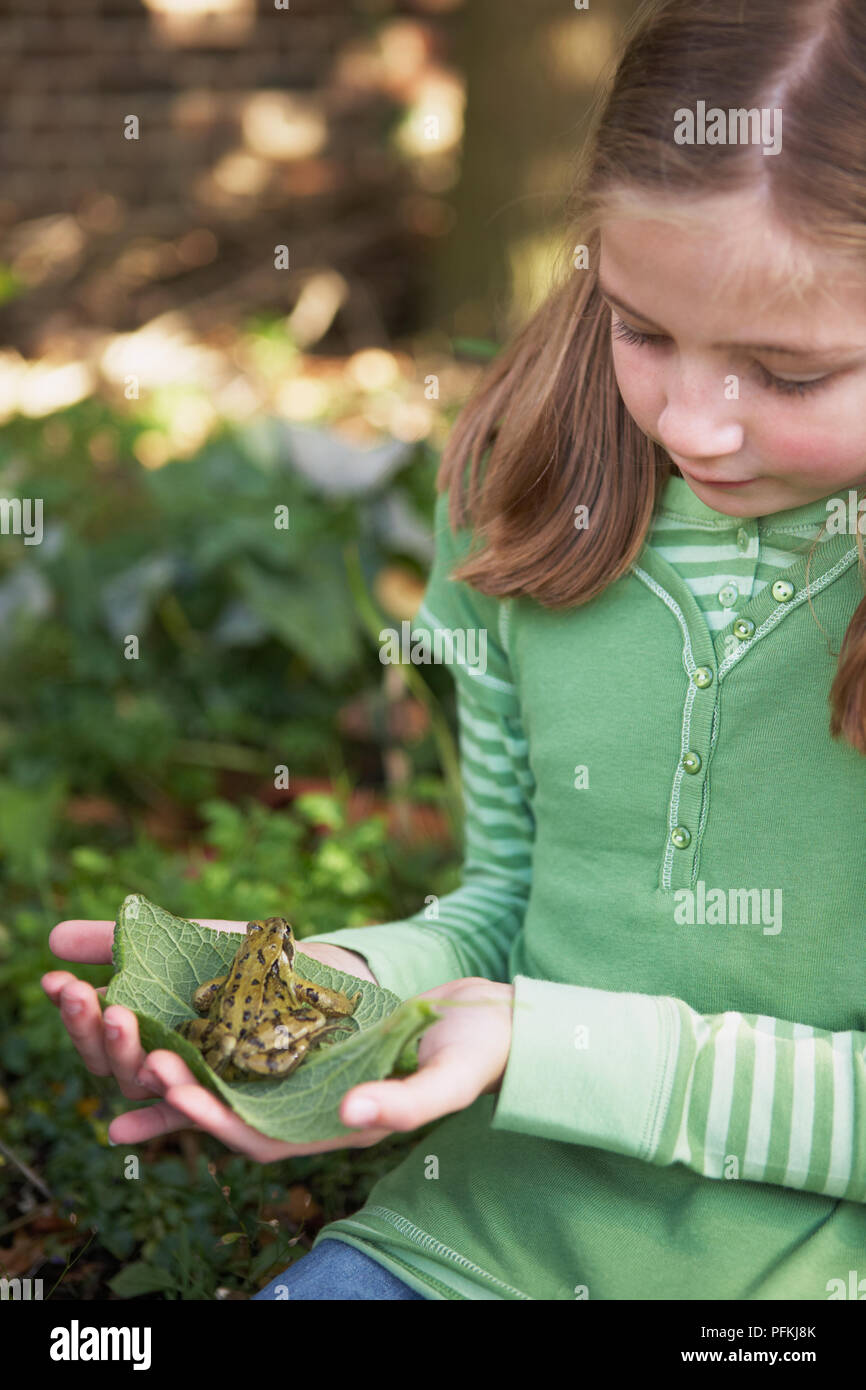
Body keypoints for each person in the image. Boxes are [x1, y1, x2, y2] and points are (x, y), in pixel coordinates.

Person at [44, 0, 866, 1300]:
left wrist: (551, 1049)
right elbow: (510, 910)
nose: (695, 428)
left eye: (788, 371)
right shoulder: (522, 495)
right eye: (642, 330)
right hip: (465, 1250)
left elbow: (540, 1025)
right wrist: (330, 998)